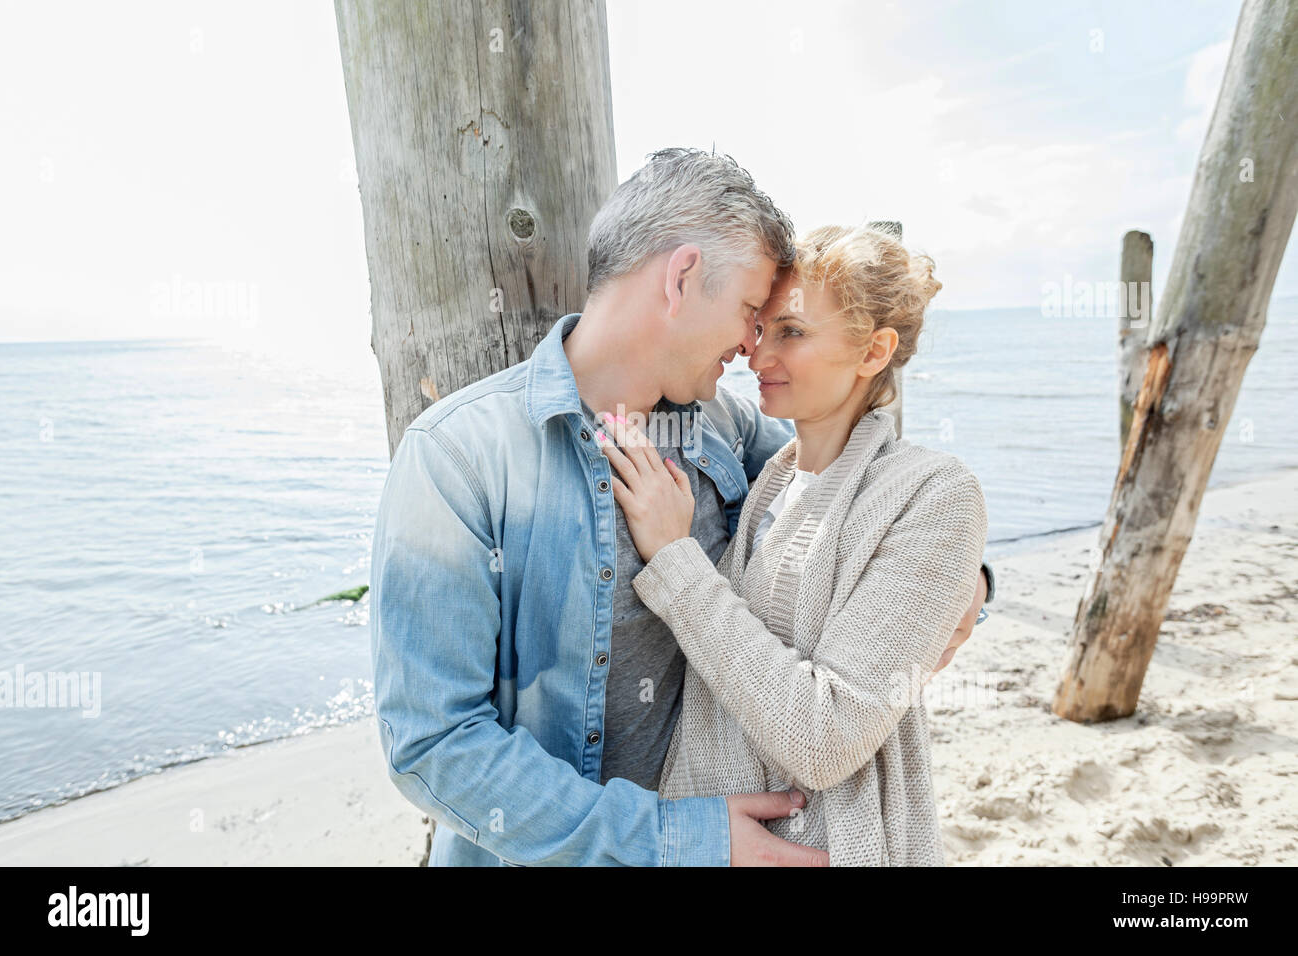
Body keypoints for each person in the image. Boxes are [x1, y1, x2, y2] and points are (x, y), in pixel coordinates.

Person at [369, 148, 993, 866]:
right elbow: (433, 745)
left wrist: (968, 580)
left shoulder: (725, 432)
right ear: (683, 279)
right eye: (752, 312)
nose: (751, 347)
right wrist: (674, 840)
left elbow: (867, 499)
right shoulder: (457, 459)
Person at [598, 224, 987, 865]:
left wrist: (674, 561)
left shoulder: (936, 493)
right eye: (761, 327)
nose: (756, 356)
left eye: (793, 333)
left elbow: (826, 737)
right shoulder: (770, 478)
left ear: (873, 351)